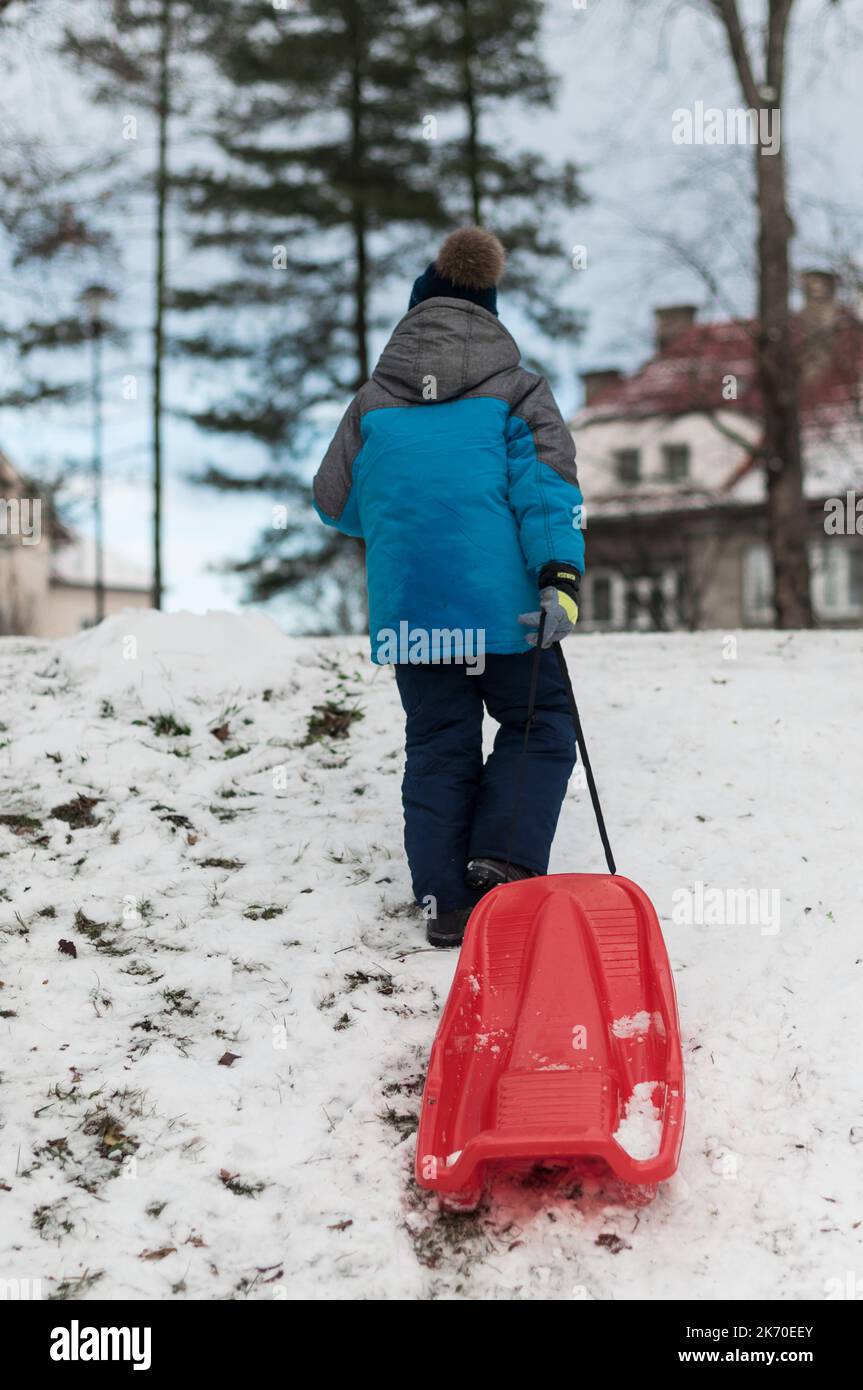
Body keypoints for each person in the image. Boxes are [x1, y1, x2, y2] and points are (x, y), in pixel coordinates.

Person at [313, 227, 584, 947]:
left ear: (413, 314)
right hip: (509, 607)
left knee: (437, 742)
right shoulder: (517, 390)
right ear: (488, 316)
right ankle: (502, 856)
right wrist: (559, 580)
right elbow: (545, 494)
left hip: (415, 611)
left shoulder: (372, 403)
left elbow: (332, 504)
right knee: (538, 724)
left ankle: (444, 901)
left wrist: (408, 508)